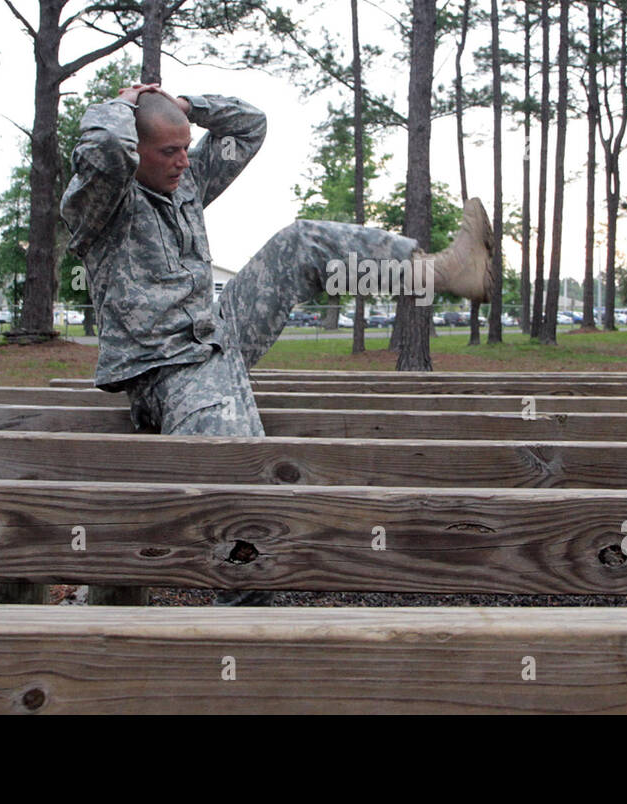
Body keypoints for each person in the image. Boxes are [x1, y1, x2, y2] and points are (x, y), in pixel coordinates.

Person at [60, 82, 494, 603]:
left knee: (301, 241)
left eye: (185, 147)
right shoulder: (100, 201)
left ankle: (441, 270)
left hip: (215, 335)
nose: (181, 161)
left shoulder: (188, 183)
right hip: (163, 368)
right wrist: (125, 102)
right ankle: (239, 622)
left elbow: (249, 126)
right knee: (245, 500)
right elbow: (105, 147)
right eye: (168, 151)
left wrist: (190, 107)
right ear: (136, 151)